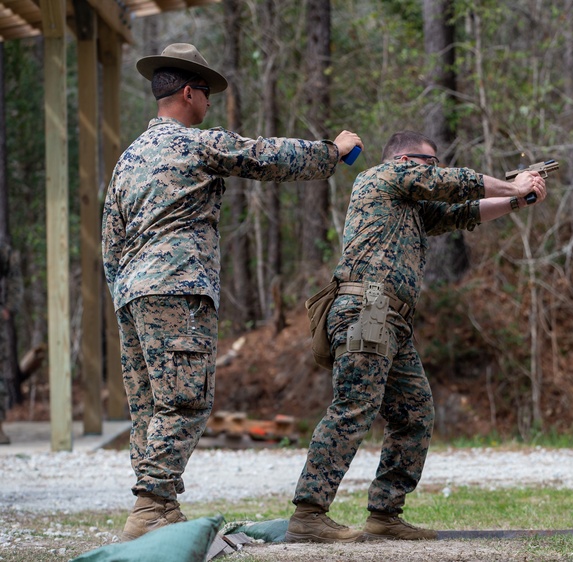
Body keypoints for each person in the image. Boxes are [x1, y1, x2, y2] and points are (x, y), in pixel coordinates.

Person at [101, 43, 362, 541]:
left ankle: (160, 505)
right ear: (187, 92)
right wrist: (332, 151)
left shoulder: (128, 159)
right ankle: (151, 505)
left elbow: (110, 241)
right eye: (205, 94)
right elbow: (263, 156)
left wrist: (123, 295)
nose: (208, 104)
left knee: (150, 406)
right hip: (179, 289)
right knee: (185, 401)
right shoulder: (194, 144)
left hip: (133, 294)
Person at [286, 130, 547, 543]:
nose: (435, 171)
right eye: (429, 164)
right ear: (404, 162)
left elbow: (463, 212)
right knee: (354, 406)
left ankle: (385, 513)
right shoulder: (381, 178)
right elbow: (453, 183)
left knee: (415, 413)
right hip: (368, 307)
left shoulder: (406, 206)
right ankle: (309, 512)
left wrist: (517, 198)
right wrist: (513, 182)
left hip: (390, 320)